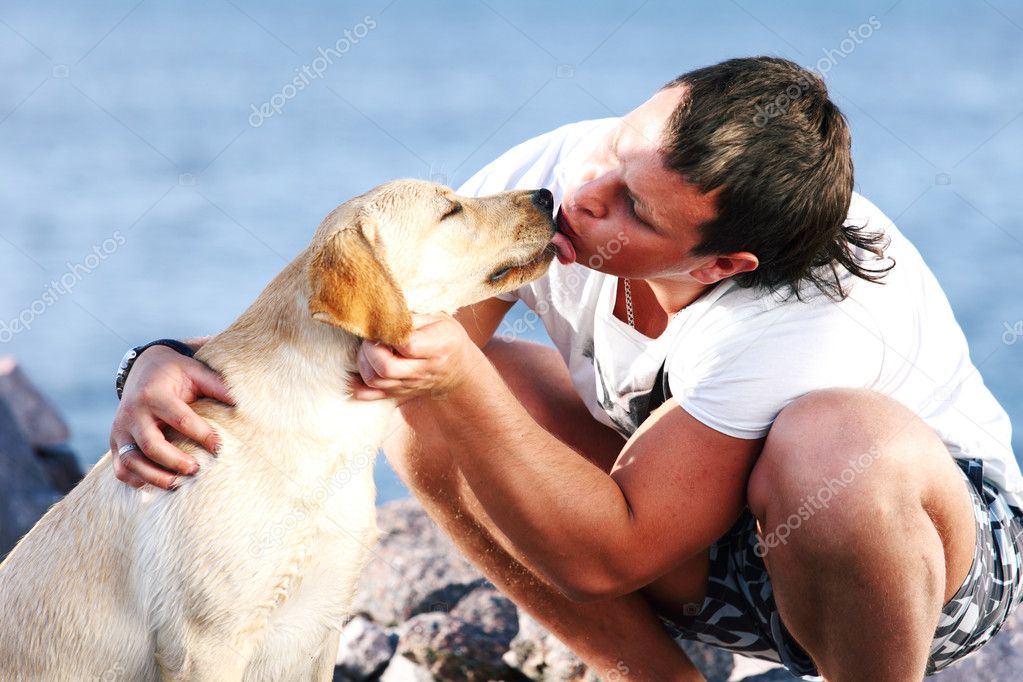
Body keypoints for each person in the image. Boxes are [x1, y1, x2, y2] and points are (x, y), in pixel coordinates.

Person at [110, 57, 1023, 681]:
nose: (580, 195)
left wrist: (459, 378)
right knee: (416, 397)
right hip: (694, 517)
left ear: (716, 266)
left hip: (915, 562)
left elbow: (608, 557)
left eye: (631, 207)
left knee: (836, 443)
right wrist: (164, 363)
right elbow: (371, 338)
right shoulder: (568, 170)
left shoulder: (808, 317)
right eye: (616, 149)